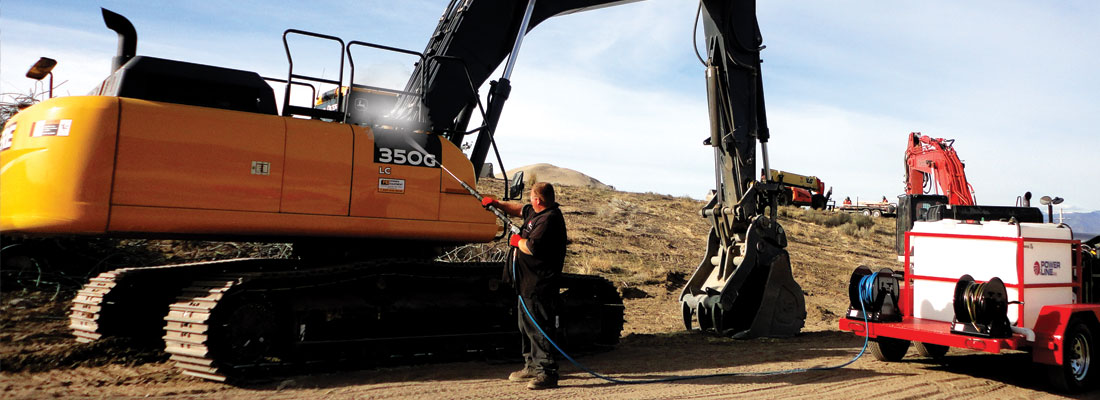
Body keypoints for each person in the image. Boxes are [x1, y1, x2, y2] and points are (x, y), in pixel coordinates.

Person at [481, 182, 567, 390]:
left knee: (539, 328)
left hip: (540, 284)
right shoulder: (537, 212)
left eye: (531, 197)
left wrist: (517, 241)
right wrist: (497, 204)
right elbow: (519, 209)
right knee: (526, 326)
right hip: (526, 283)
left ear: (538, 200)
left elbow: (531, 247)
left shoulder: (549, 220)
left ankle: (546, 372)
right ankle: (531, 365)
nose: (529, 201)